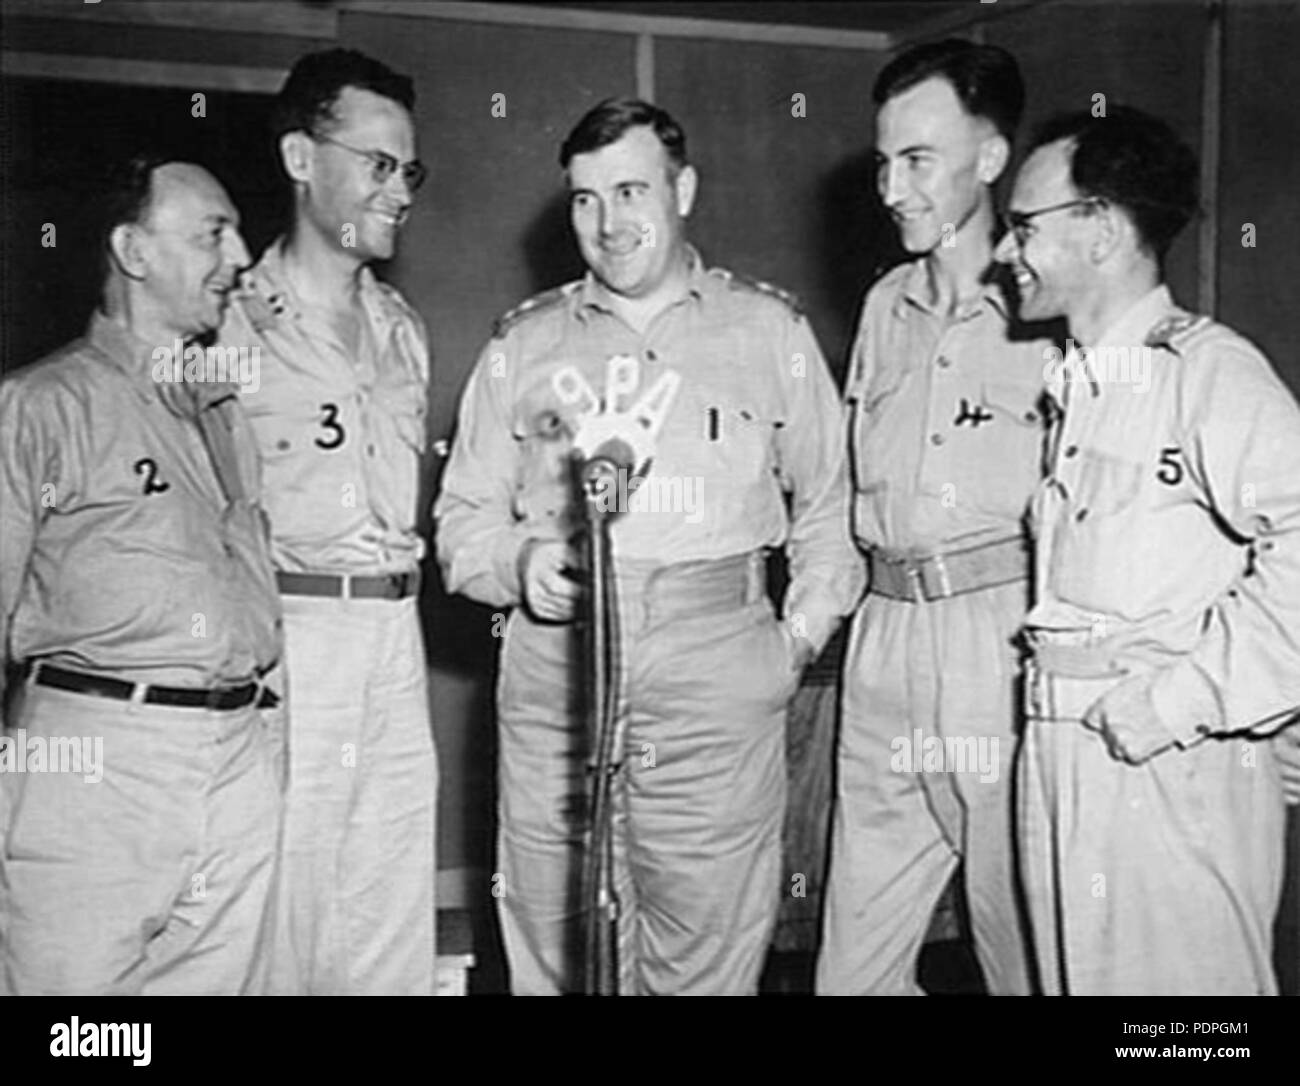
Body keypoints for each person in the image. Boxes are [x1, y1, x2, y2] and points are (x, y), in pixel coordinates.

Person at [435, 97, 862, 995]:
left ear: (685, 191)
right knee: (554, 924)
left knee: (706, 932)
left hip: (718, 663)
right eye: (585, 200)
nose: (608, 224)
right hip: (558, 666)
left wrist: (795, 644)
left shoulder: (767, 333)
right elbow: (460, 522)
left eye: (631, 192)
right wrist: (518, 565)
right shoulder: (524, 343)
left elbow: (829, 512)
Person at [995, 105, 1300, 994]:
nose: (1005, 253)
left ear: (1100, 228)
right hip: (1064, 746)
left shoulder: (1207, 371)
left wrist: (1186, 699)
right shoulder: (1079, 385)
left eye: (1024, 227)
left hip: (1165, 757)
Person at [0, 153, 283, 995]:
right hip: (97, 763)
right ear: (133, 250)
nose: (238, 257)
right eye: (213, 234)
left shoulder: (222, 416)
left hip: (235, 758)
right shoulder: (42, 406)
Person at [817, 40, 1042, 995]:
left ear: (988, 160)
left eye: (918, 160)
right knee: (850, 973)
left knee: (1024, 949)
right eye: (883, 162)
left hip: (1000, 649)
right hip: (883, 644)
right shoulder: (882, 306)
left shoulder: (1051, 304)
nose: (891, 187)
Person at [219, 48, 437, 995]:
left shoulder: (401, 329)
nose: (400, 193)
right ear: (303, 159)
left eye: (408, 171)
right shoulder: (228, 326)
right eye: (378, 166)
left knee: (391, 902)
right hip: (293, 636)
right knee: (288, 908)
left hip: (396, 632)